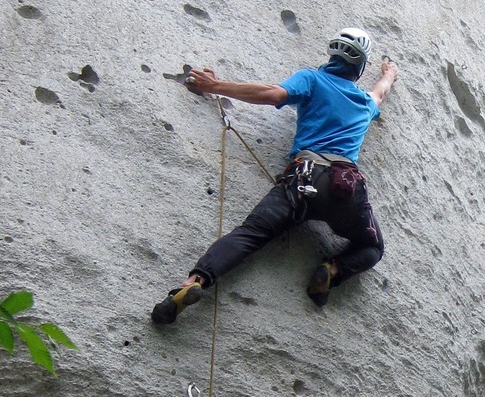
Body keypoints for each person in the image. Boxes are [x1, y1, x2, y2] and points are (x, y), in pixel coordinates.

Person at [151, 27, 398, 323]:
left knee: (248, 235)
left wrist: (214, 85)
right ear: (359, 68)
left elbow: (273, 94)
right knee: (373, 247)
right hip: (346, 191)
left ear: (332, 55)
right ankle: (331, 272)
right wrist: (390, 73)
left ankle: (193, 283)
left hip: (302, 180)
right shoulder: (365, 102)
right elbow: (381, 92)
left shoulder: (312, 79)